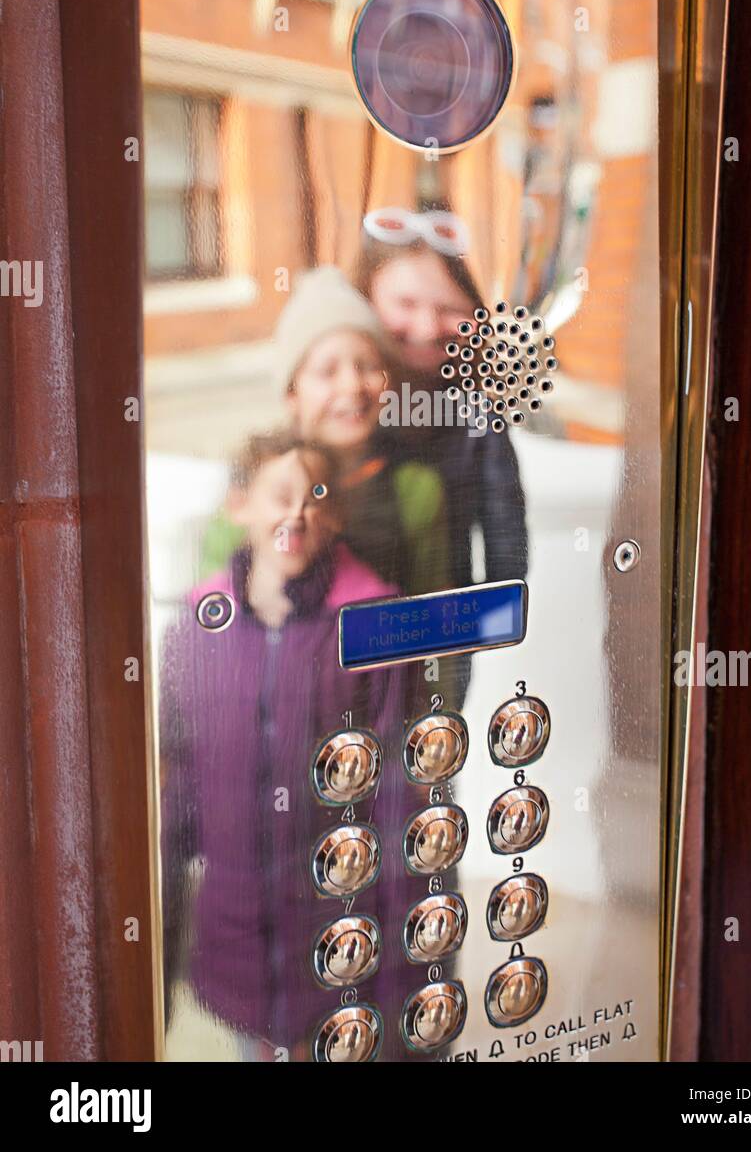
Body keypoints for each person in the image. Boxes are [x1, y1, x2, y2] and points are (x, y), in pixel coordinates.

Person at [160, 431, 424, 1059]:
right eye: (280, 494)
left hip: (336, 928)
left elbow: (397, 793)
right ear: (241, 506)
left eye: (317, 497)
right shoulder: (198, 628)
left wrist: (407, 974)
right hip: (234, 934)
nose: (298, 512)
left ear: (334, 518)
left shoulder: (371, 624)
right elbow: (179, 790)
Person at [200, 266, 449, 595]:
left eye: (369, 366)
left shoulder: (416, 490)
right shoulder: (256, 486)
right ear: (292, 393)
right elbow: (207, 610)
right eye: (327, 371)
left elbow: (435, 614)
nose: (352, 386)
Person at [353, 207, 528, 591]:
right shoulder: (347, 401)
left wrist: (488, 615)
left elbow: (506, 534)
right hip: (347, 629)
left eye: (451, 310)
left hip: (442, 621)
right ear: (366, 298)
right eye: (406, 304)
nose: (428, 328)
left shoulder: (477, 415)